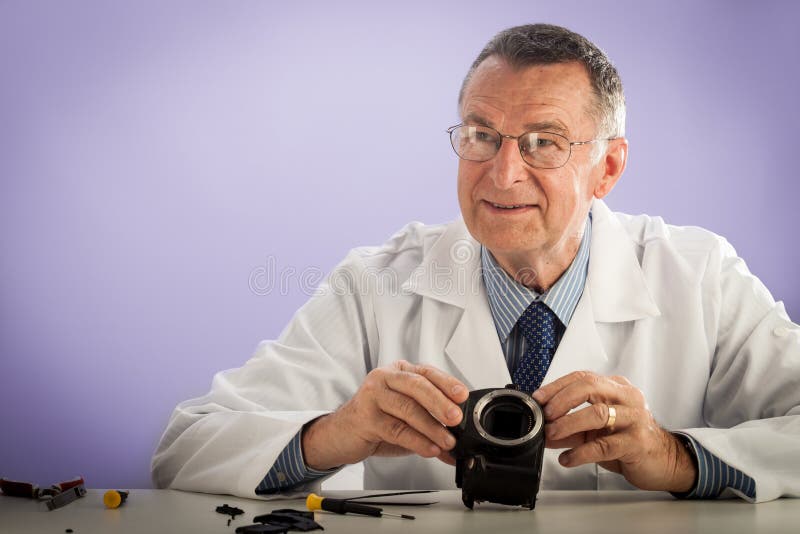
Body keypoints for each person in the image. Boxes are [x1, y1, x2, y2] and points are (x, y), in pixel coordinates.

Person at [151, 24, 799, 503]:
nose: (502, 171)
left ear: (607, 166)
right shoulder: (376, 282)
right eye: (481, 135)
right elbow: (187, 446)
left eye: (543, 142)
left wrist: (675, 455)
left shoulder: (699, 273)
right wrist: (334, 433)